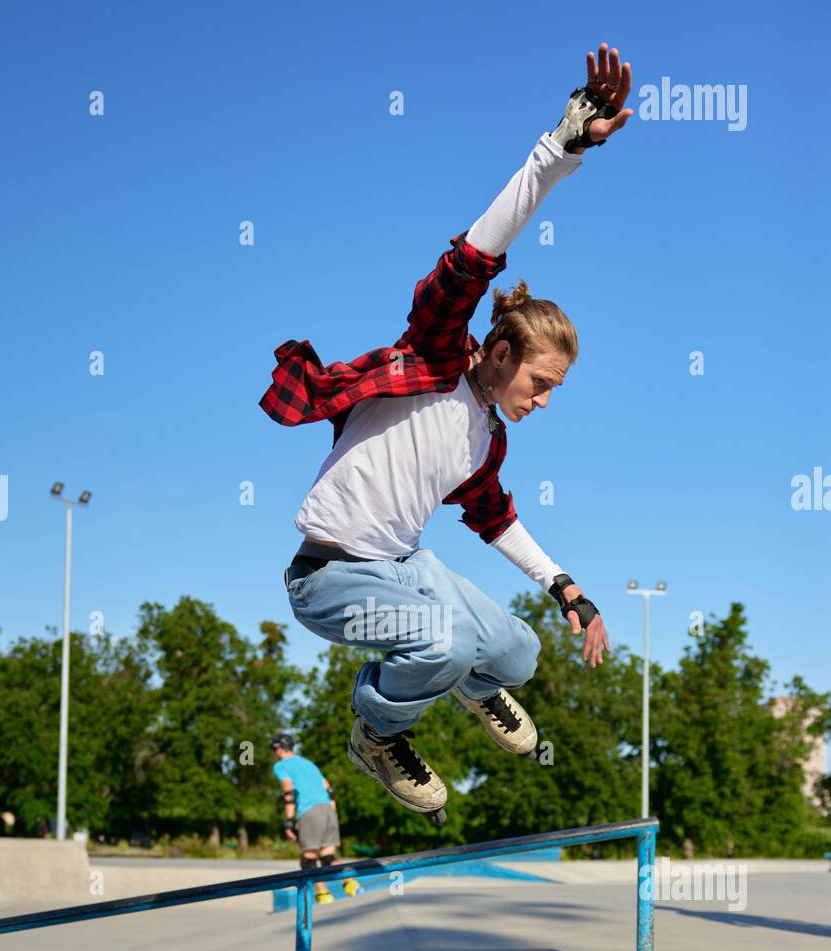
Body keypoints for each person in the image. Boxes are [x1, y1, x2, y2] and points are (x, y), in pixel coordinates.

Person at [261, 45, 632, 818]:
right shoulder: (433, 354)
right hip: (327, 578)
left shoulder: (485, 439)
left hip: (406, 569)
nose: (544, 401)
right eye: (539, 382)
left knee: (518, 654)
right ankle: (376, 733)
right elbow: (476, 253)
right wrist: (560, 150)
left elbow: (495, 517)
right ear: (499, 354)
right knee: (443, 641)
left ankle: (469, 683)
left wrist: (567, 588)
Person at [270, 734, 360, 903]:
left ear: (279, 748)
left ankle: (323, 895)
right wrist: (332, 812)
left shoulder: (281, 765)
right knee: (328, 857)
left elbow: (289, 793)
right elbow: (329, 789)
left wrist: (289, 821)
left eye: (273, 750)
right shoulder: (308, 763)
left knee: (308, 859)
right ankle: (350, 882)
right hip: (328, 809)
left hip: (309, 811)